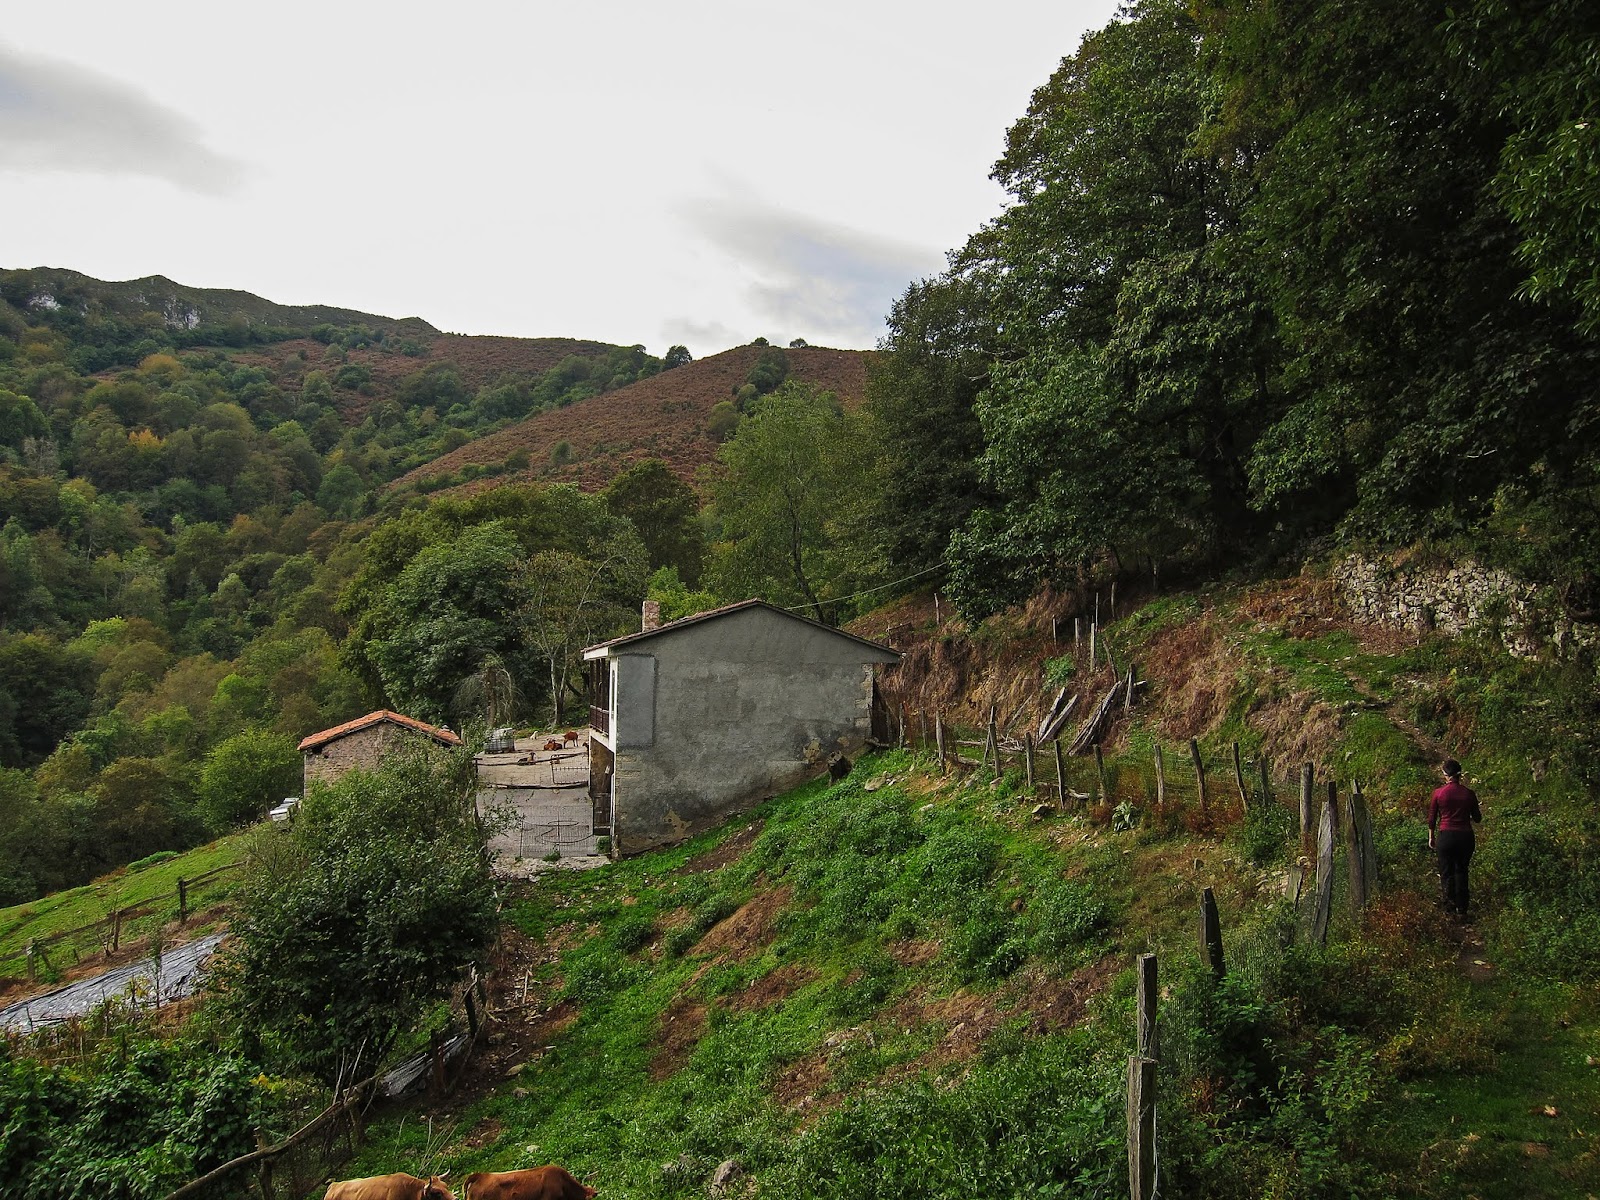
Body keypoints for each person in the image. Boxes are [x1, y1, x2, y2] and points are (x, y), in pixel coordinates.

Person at [1428, 758, 1482, 919]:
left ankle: (1449, 908)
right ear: (1459, 775)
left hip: (1446, 836)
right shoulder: (1469, 794)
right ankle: (1462, 909)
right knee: (1462, 871)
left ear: (1446, 775)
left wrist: (1431, 836)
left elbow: (1432, 818)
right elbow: (1477, 818)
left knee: (1446, 872)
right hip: (1465, 837)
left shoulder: (1439, 793)